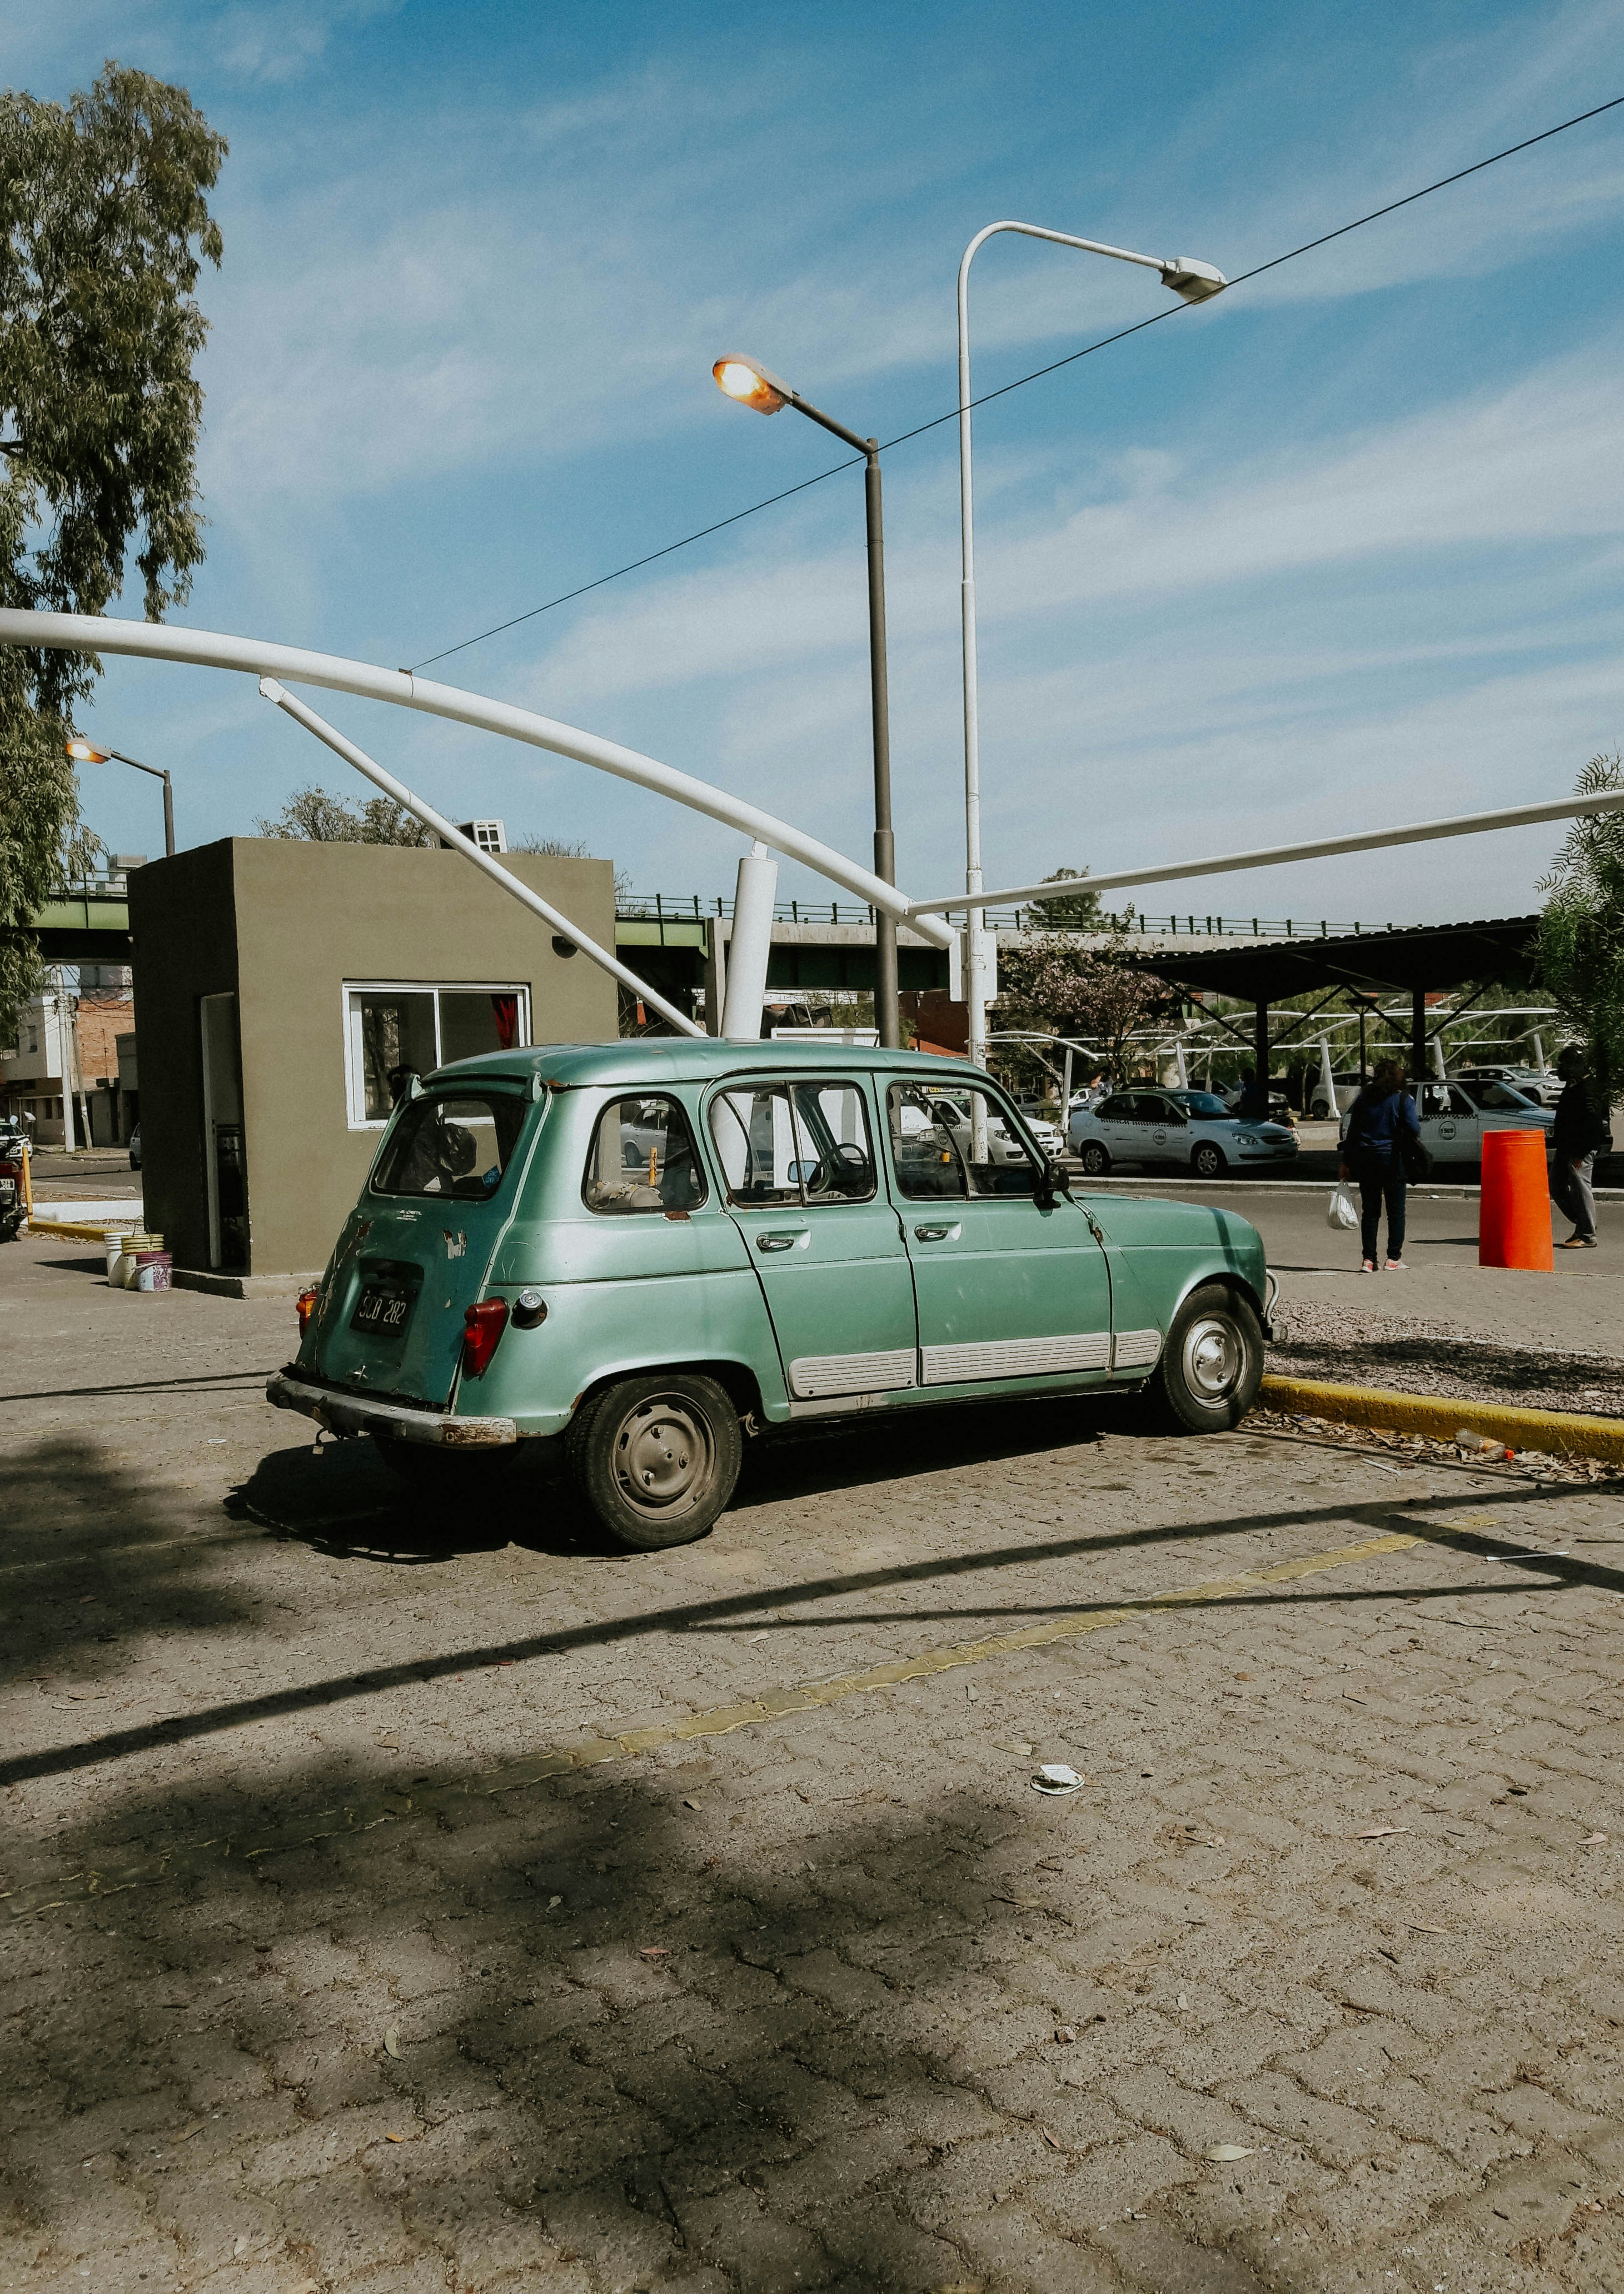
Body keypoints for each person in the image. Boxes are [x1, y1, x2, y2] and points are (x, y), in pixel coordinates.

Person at [1339, 1057, 1420, 1272]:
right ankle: (1393, 1258)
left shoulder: (1364, 1100)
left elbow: (1353, 1132)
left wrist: (1346, 1162)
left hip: (1366, 1161)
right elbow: (1414, 1128)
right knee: (1396, 1211)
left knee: (1371, 1211)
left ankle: (1368, 1259)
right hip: (1393, 1161)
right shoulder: (1403, 1100)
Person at [1550, 1045, 1608, 1250]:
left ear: (1578, 1066)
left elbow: (1593, 1124)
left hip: (1580, 1150)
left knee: (1581, 1188)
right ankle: (1583, 1221)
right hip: (1565, 1147)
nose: (1562, 1069)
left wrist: (1581, 1154)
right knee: (1556, 1186)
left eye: (1566, 1065)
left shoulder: (1590, 1089)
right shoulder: (1572, 1086)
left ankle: (1587, 1233)